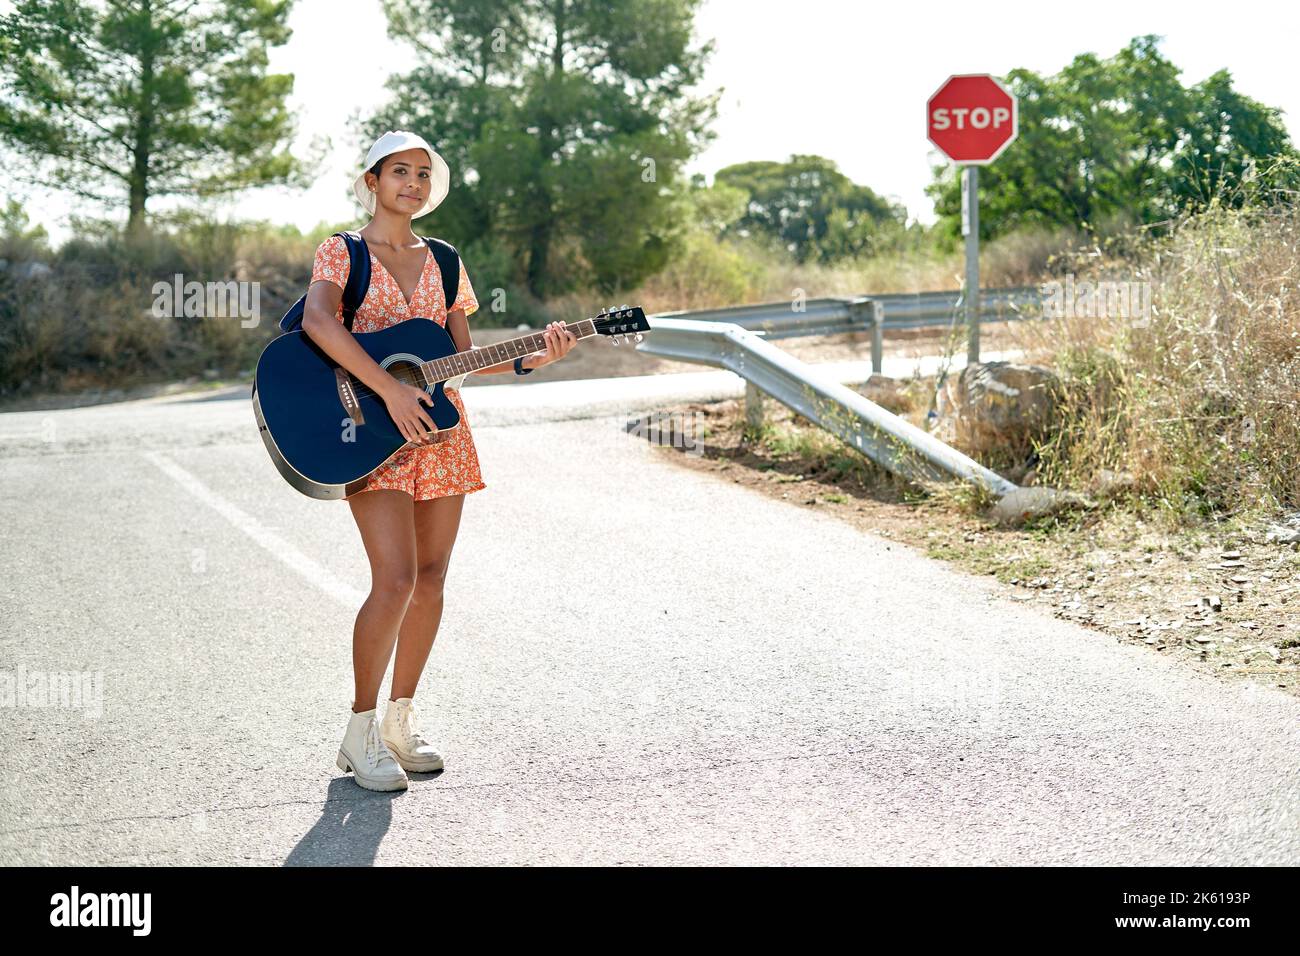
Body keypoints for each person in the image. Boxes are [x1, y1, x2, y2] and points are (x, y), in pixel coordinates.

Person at [301, 130, 577, 791]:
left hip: (442, 432)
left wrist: (534, 357)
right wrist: (389, 387)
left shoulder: (447, 260)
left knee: (429, 579)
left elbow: (461, 354)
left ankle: (399, 720)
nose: (414, 184)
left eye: (424, 174)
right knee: (392, 581)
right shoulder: (342, 252)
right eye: (400, 171)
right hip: (372, 431)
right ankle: (359, 730)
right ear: (372, 180)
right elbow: (318, 322)